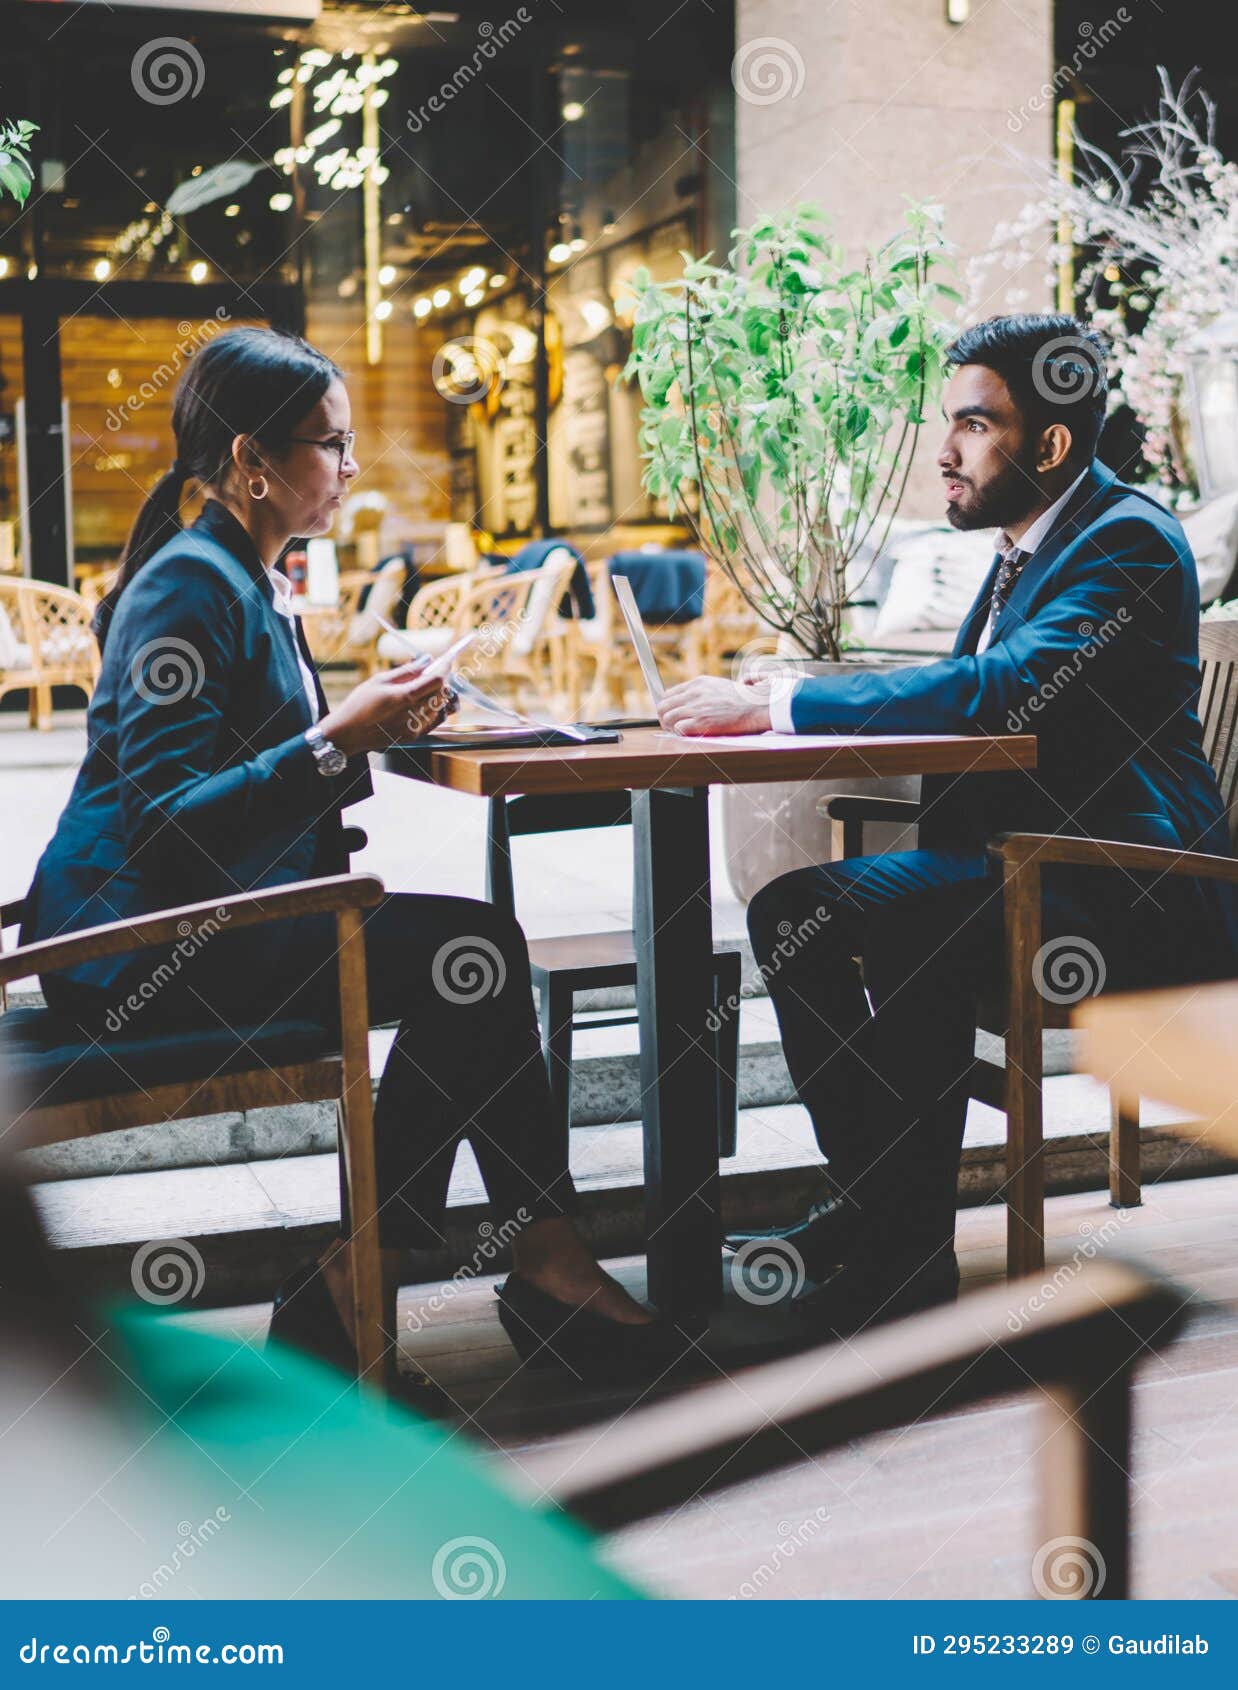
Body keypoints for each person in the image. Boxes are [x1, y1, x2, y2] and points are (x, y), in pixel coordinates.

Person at [21, 326, 679, 1395]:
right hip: (134, 951)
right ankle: (416, 1272)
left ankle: (483, 1263)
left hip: (201, 922)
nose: (351, 466)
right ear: (252, 460)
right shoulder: (191, 586)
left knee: (475, 952)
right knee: (474, 950)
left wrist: (369, 727)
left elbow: (251, 783)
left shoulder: (237, 572)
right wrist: (340, 739)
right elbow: (165, 827)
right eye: (331, 443)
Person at [655, 313, 1238, 1333]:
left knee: (878, 918)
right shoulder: (1029, 547)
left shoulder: (1126, 539)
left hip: (1131, 891)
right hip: (1028, 872)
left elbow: (1002, 690)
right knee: (823, 910)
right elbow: (985, 695)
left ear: (1050, 445)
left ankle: (893, 1238)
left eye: (972, 425)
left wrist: (785, 702)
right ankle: (891, 1221)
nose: (943, 451)